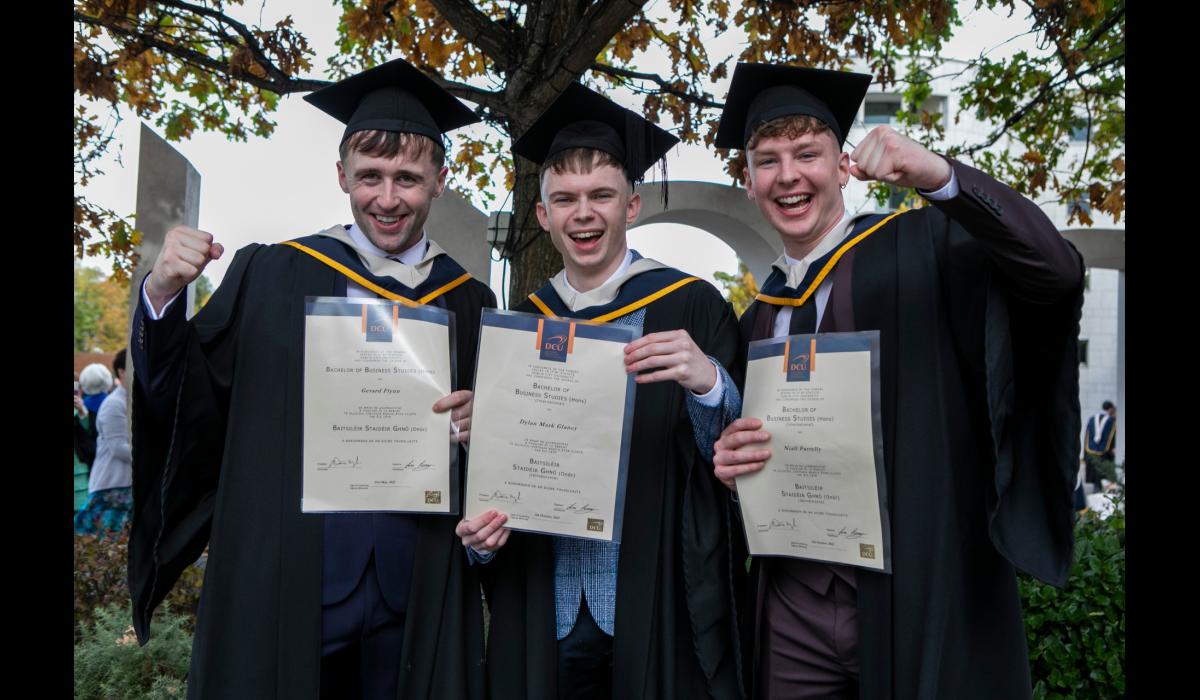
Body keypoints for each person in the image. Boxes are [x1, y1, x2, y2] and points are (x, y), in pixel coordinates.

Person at [710, 63, 1084, 699]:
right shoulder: (756, 319)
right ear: (749, 182)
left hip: (917, 587)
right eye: (767, 161)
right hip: (792, 603)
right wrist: (734, 461)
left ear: (842, 165)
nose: (788, 175)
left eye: (807, 154)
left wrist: (940, 178)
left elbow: (1055, 273)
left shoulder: (922, 248)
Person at [129, 58, 494, 700]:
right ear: (342, 175)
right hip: (291, 582)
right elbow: (191, 398)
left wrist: (479, 428)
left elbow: (497, 463)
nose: (387, 199)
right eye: (370, 176)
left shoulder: (469, 302)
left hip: (418, 591)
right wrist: (161, 297)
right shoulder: (272, 275)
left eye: (408, 179)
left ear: (440, 180)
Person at [456, 83, 745, 699]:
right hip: (546, 608)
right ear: (544, 216)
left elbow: (738, 457)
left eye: (601, 196)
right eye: (565, 199)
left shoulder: (690, 306)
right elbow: (494, 481)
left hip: (658, 603)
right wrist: (480, 529)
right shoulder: (519, 326)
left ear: (631, 206)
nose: (583, 213)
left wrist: (708, 384)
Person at [75, 349, 134, 536]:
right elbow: (118, 448)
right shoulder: (113, 404)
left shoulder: (131, 400)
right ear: (121, 372)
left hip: (123, 483)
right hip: (112, 485)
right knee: (101, 544)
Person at [1083, 400, 1118, 489]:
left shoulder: (1092, 419)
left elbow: (1086, 437)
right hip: (1104, 456)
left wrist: (1085, 456)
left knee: (1095, 481)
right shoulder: (1112, 421)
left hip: (1090, 454)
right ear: (1111, 409)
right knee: (1103, 479)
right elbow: (1113, 441)